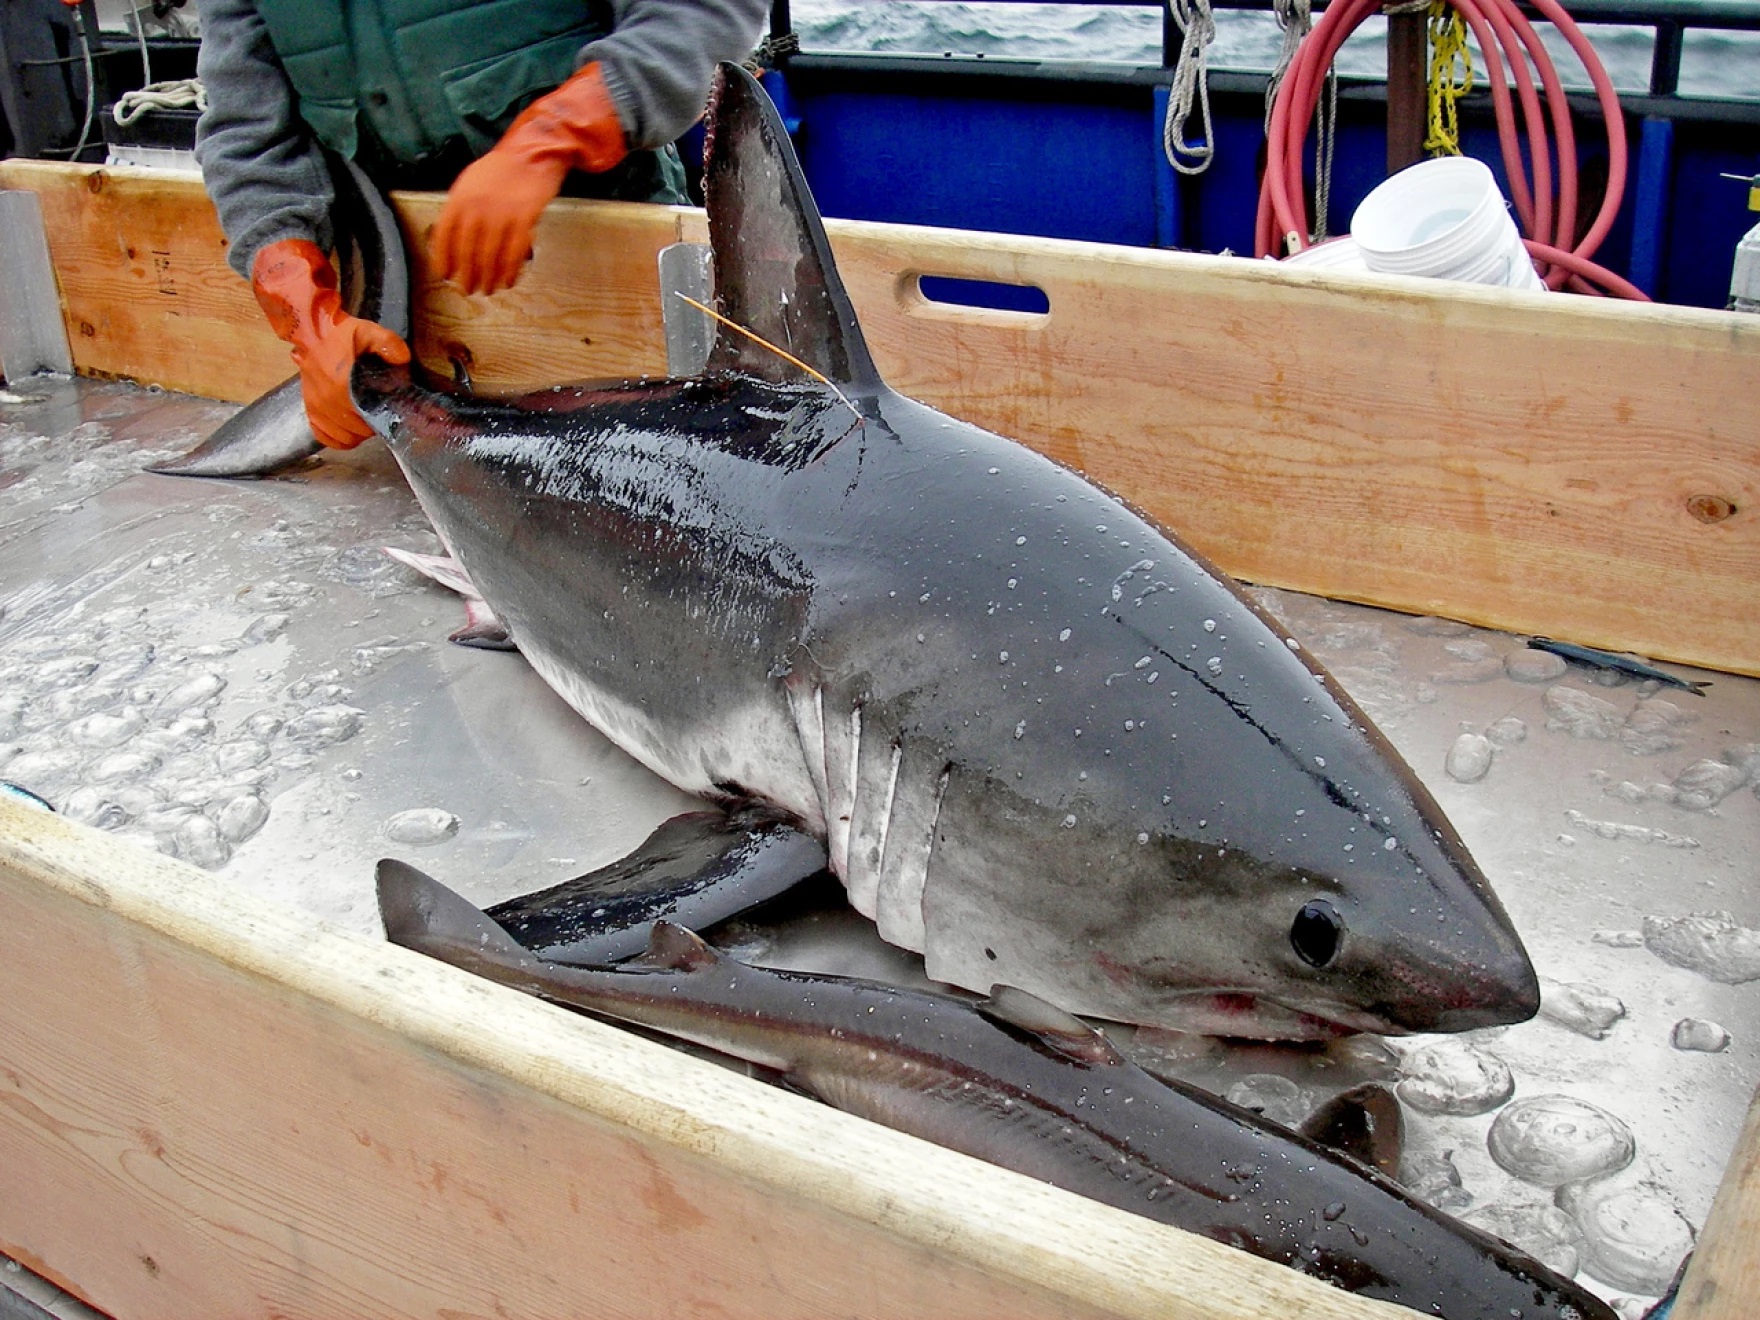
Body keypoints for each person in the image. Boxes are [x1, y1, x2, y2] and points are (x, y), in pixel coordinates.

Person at [194, 0, 769, 449]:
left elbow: (703, 14)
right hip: (397, 301)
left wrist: (552, 135)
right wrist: (308, 317)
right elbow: (248, 133)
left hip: (608, 260)